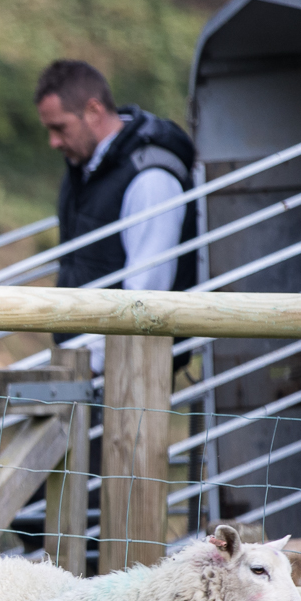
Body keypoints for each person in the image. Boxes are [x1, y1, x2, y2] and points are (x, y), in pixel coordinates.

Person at [34, 59, 197, 369]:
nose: (53, 142)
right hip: (87, 363)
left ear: (94, 111)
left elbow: (146, 296)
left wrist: (83, 364)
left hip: (124, 373)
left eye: (59, 128)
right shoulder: (87, 166)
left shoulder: (150, 179)